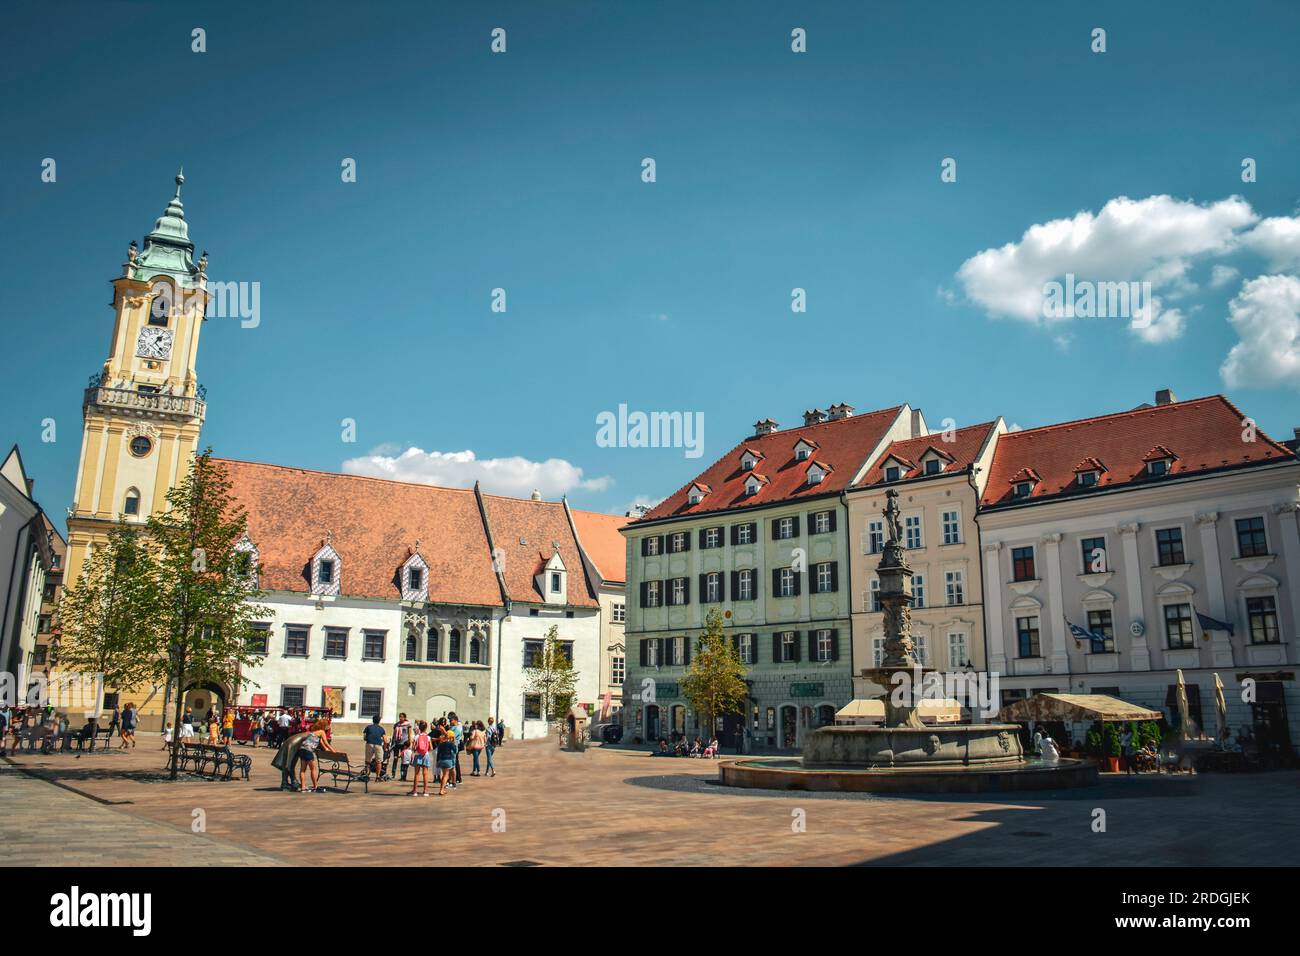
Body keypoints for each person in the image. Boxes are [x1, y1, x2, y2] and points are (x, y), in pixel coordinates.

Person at [296, 720, 338, 793]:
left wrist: (325, 749)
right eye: (327, 726)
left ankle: (303, 787)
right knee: (313, 769)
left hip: (302, 749)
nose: (328, 727)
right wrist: (333, 751)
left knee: (303, 770)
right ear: (323, 725)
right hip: (308, 750)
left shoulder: (313, 732)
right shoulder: (322, 732)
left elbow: (321, 743)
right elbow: (326, 742)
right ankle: (315, 786)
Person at [408, 720, 433, 797]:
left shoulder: (416, 736)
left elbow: (413, 747)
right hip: (426, 755)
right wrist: (426, 751)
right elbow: (431, 748)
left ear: (419, 728)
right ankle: (425, 791)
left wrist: (416, 750)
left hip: (417, 755)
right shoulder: (428, 737)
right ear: (426, 728)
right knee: (425, 774)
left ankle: (415, 791)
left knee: (417, 774)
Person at [434, 719, 457, 796]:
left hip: (441, 760)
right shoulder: (450, 743)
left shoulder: (441, 744)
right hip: (448, 760)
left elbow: (438, 753)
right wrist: (453, 742)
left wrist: (437, 761)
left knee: (443, 775)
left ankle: (442, 789)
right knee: (446, 776)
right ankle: (441, 790)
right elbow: (455, 750)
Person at [363, 714, 387, 780]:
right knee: (379, 761)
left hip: (369, 744)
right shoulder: (381, 729)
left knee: (367, 761)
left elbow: (364, 737)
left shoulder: (368, 727)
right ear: (379, 721)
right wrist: (385, 748)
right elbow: (385, 741)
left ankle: (367, 775)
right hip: (378, 745)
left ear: (372, 720)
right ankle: (378, 776)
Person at [391, 713, 412, 780]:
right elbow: (394, 734)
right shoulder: (396, 725)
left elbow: (410, 734)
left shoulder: (408, 725)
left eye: (402, 717)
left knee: (404, 760)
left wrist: (409, 743)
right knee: (395, 758)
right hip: (397, 744)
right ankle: (393, 773)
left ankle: (403, 775)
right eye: (400, 717)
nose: (400, 718)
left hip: (404, 744)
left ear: (405, 718)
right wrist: (392, 743)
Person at [448, 712, 464, 786]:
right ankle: (453, 779)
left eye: (450, 720)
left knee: (454, 764)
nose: (449, 721)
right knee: (453, 763)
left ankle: (455, 780)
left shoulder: (458, 727)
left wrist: (443, 731)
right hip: (451, 747)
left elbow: (451, 736)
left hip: (454, 747)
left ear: (455, 720)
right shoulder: (452, 727)